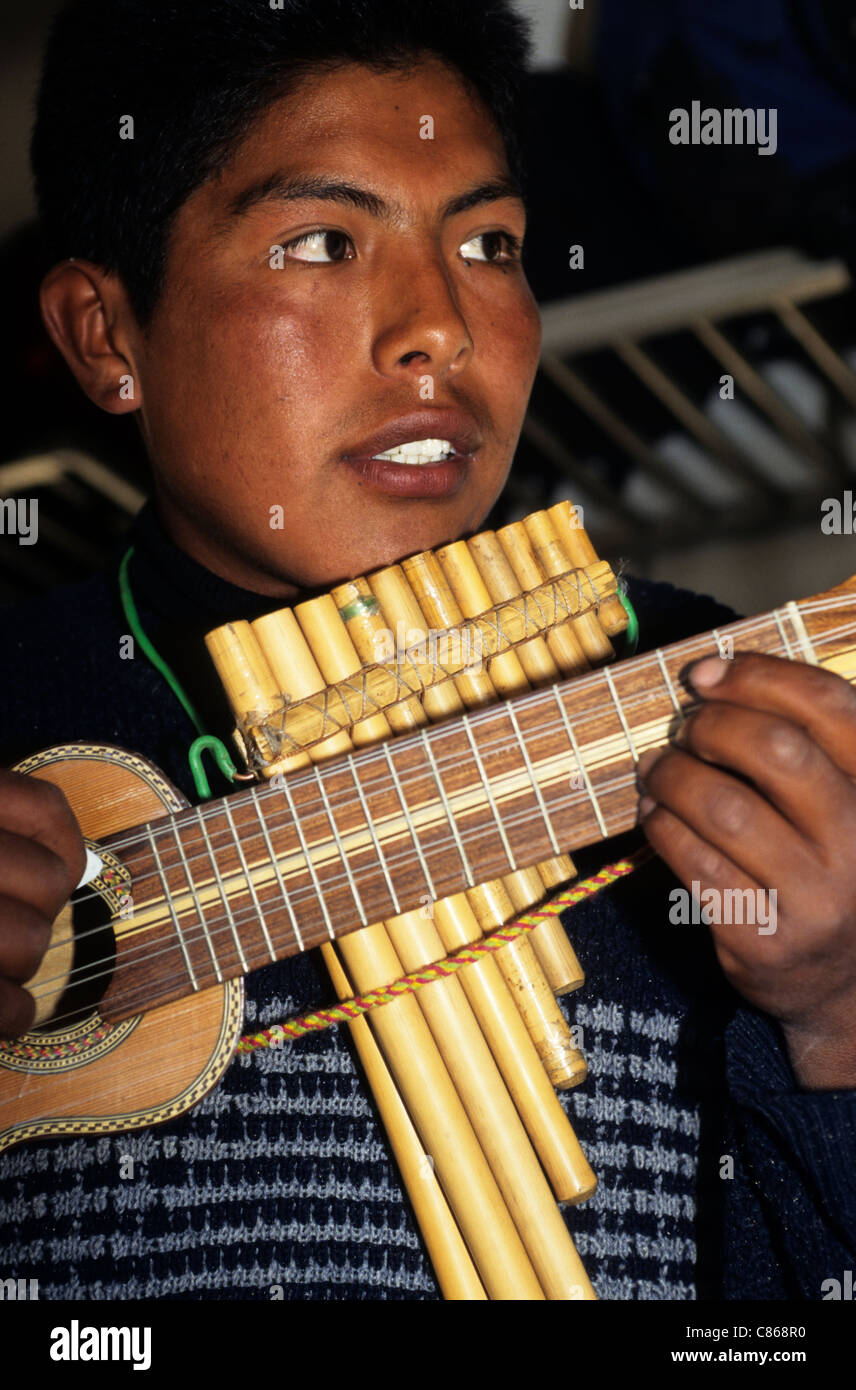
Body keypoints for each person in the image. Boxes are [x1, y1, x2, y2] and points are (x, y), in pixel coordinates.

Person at [0, 0, 854, 1301]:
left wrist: (837, 1019)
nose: (441, 329)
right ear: (109, 337)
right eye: (325, 241)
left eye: (490, 242)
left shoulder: (753, 714)